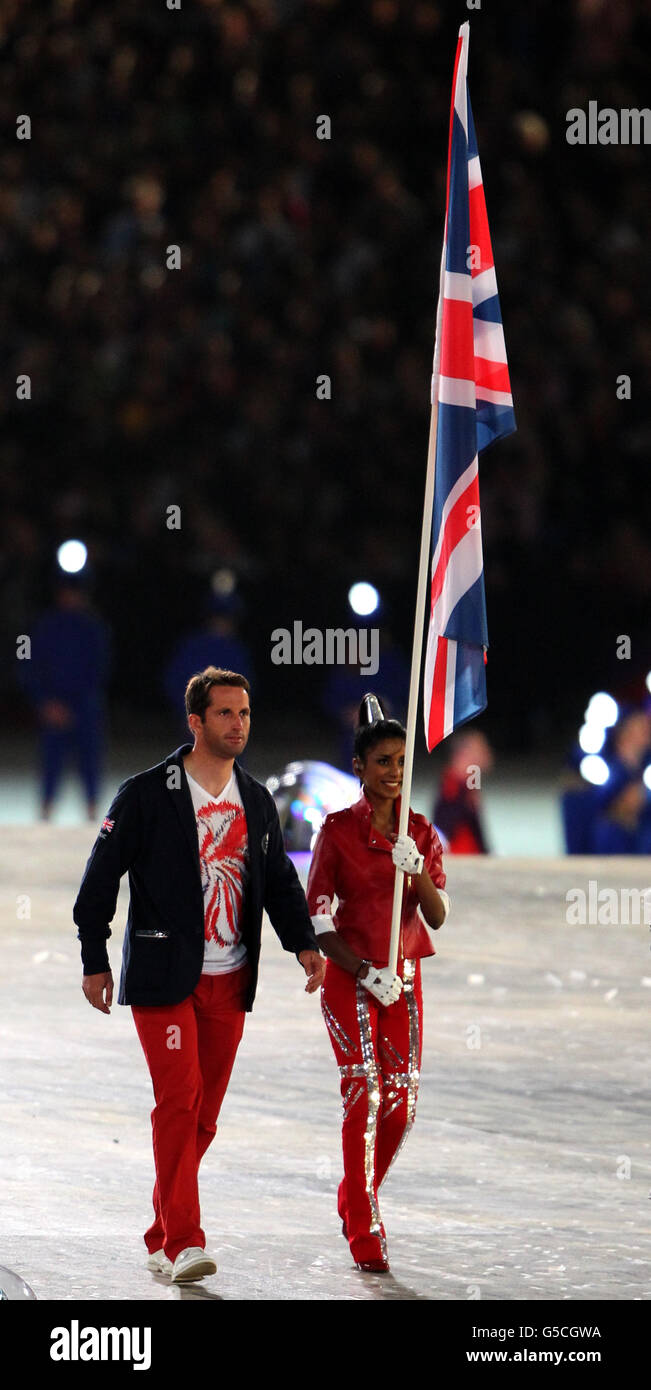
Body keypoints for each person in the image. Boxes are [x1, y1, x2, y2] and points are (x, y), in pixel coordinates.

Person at [73, 666, 324, 1284]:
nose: (238, 725)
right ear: (195, 722)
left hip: (230, 981)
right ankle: (186, 1241)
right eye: (224, 714)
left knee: (204, 1116)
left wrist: (304, 945)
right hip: (164, 978)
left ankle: (160, 1230)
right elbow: (99, 880)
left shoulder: (257, 801)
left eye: (244, 714)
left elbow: (281, 885)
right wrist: (94, 958)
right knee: (178, 1103)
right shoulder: (145, 795)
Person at [306, 695, 450, 1273]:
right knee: (364, 1092)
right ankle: (365, 1224)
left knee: (403, 1102)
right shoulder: (337, 833)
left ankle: (353, 1193)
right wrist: (365, 971)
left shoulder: (421, 831)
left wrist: (416, 871)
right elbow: (319, 923)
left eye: (401, 762)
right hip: (353, 976)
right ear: (360, 768)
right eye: (383, 761)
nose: (394, 772)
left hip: (405, 977)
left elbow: (437, 917)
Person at [21, 577, 111, 820]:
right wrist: (44, 702)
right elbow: (27, 662)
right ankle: (45, 812)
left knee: (89, 762)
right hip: (52, 705)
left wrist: (81, 704)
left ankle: (92, 814)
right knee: (51, 762)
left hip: (85, 706)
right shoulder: (41, 626)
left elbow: (100, 668)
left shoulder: (93, 628)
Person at [432, 729, 493, 854]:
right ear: (464, 754)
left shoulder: (469, 784)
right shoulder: (452, 785)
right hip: (460, 859)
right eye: (480, 751)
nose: (486, 755)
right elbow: (443, 830)